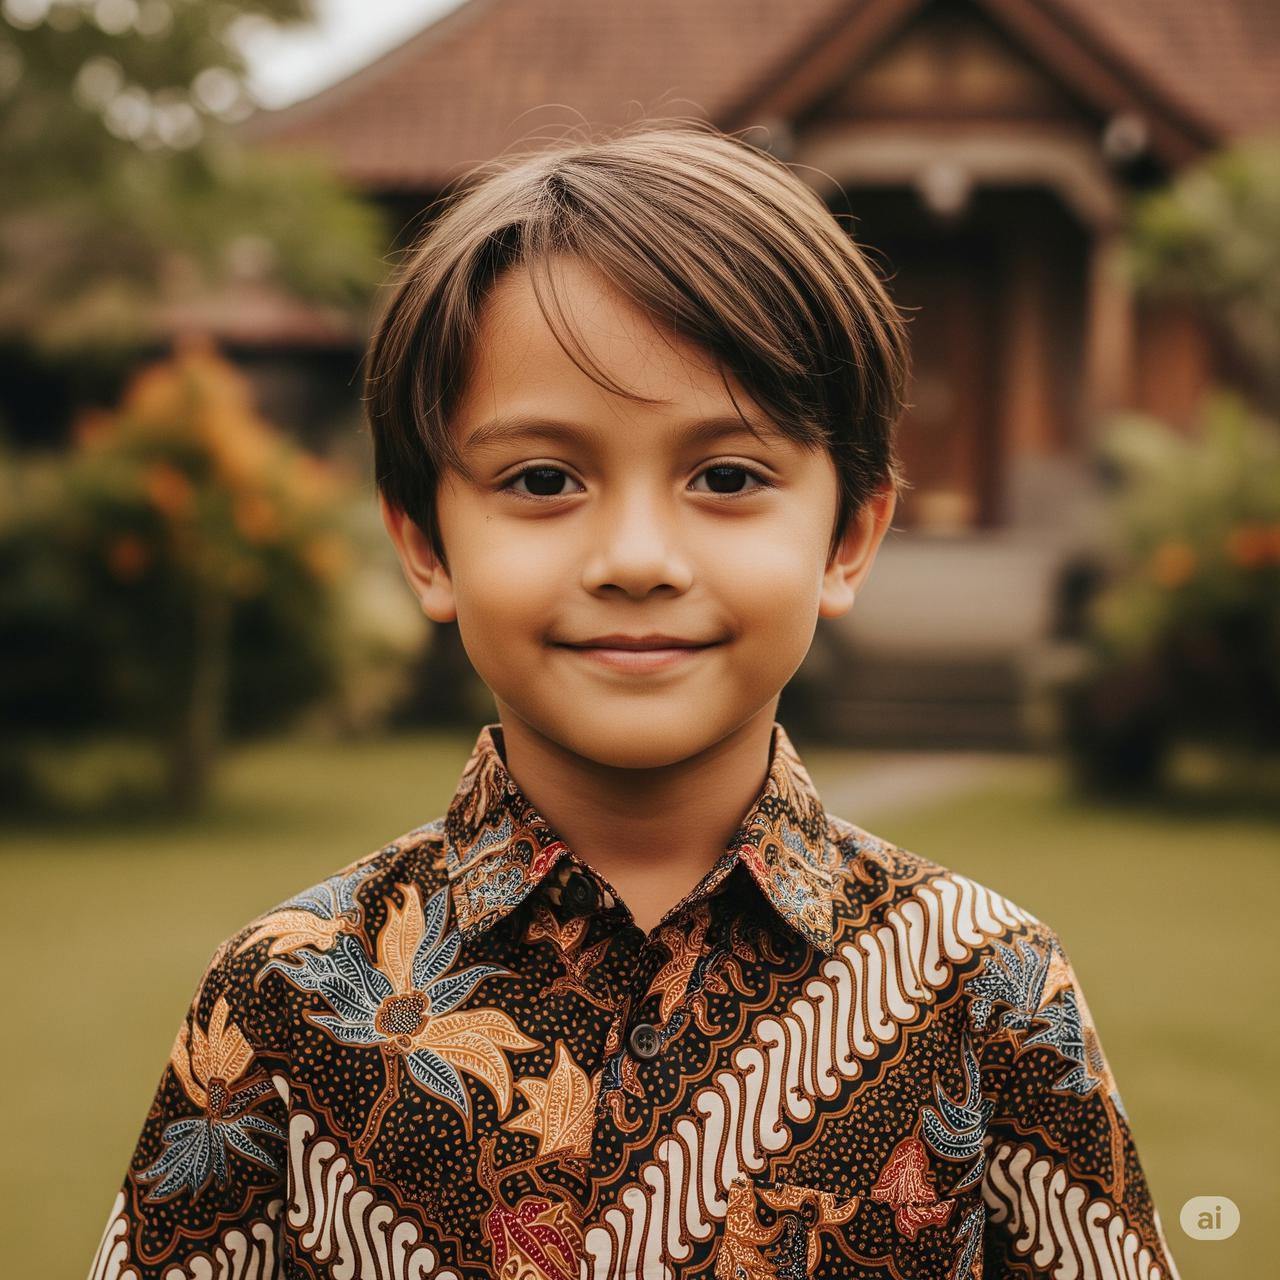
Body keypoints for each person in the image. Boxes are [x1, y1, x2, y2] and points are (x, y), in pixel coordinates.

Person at [88, 121, 1180, 1280]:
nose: (638, 555)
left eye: (726, 476)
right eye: (543, 479)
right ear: (424, 542)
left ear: (849, 533)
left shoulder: (985, 986)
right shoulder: (285, 996)